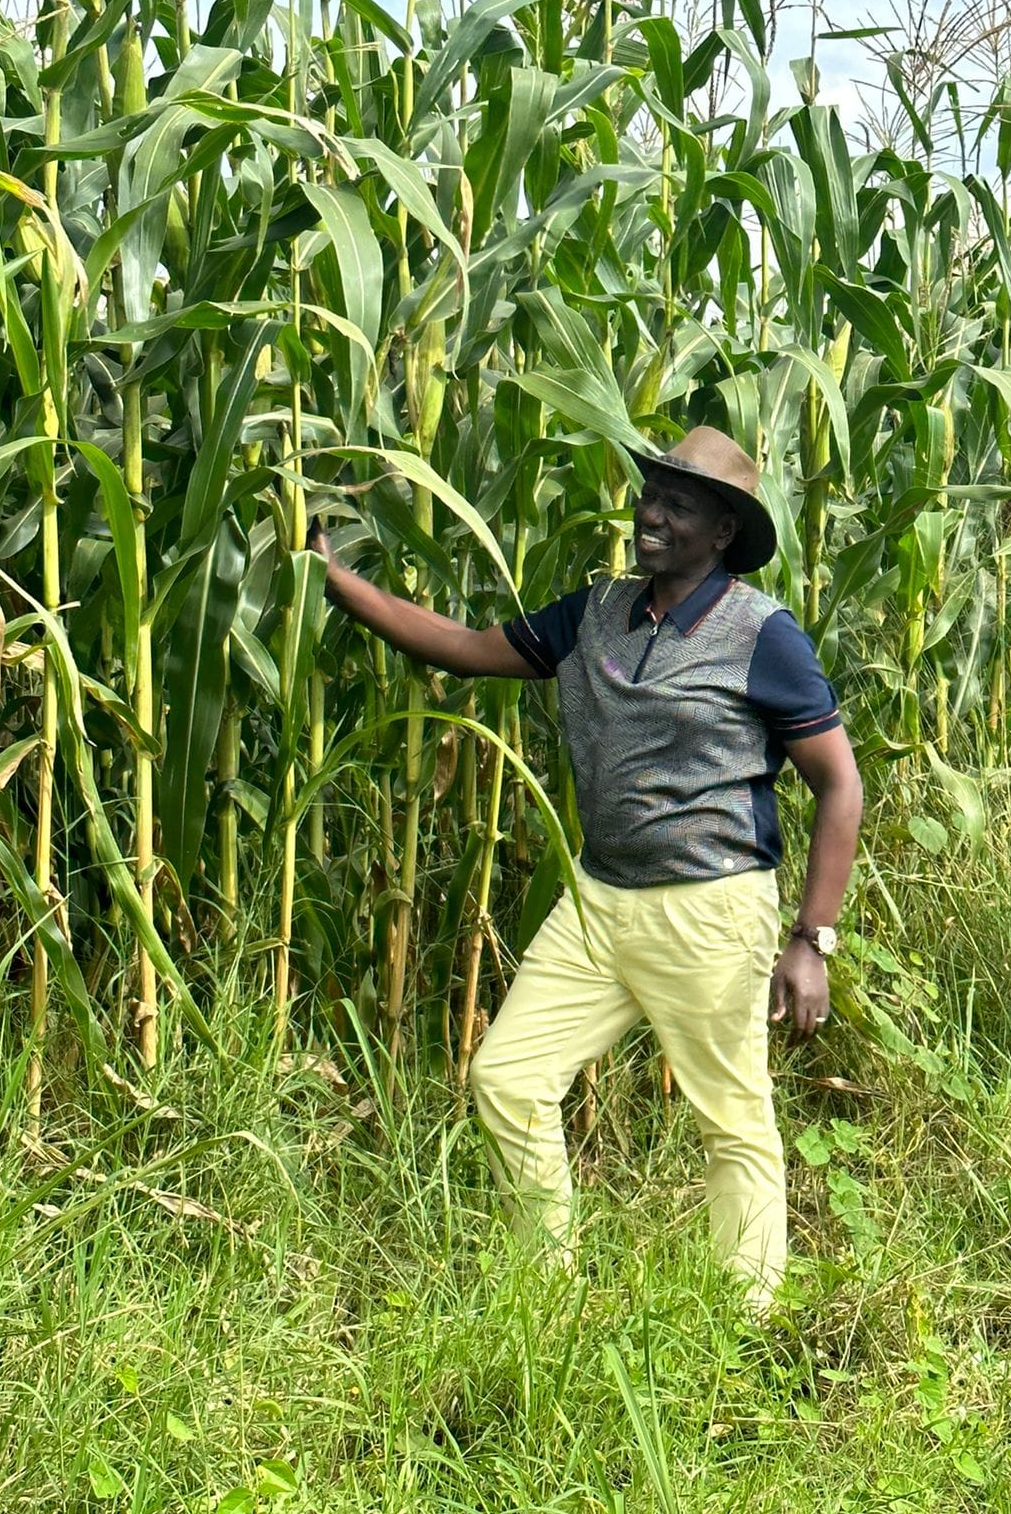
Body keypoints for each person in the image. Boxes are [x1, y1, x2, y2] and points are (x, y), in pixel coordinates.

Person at [310, 426, 862, 1311]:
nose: (651, 514)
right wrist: (338, 584)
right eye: (650, 496)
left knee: (731, 1118)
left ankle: (741, 1327)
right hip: (600, 900)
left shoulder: (763, 636)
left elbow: (840, 785)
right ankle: (548, 1293)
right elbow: (463, 646)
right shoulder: (598, 611)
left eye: (677, 506)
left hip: (711, 906)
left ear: (723, 533)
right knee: (508, 1077)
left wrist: (811, 940)